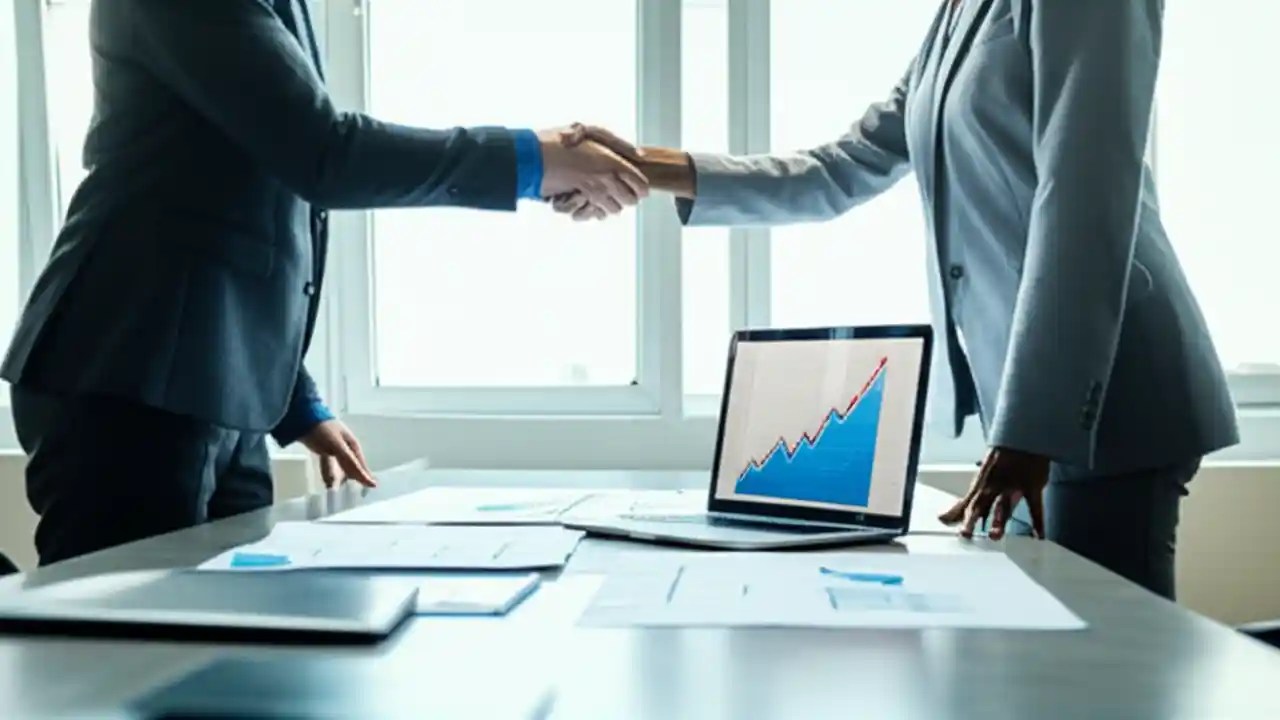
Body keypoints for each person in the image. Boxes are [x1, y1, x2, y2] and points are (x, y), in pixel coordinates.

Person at [553, 0, 1239, 600]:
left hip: (1107, 395)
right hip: (1028, 413)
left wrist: (1034, 429)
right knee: (1048, 666)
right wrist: (642, 167)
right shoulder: (960, 14)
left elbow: (1085, 196)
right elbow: (837, 169)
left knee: (1115, 672)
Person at [0, 0, 647, 566]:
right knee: (113, 669)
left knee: (219, 655)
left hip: (212, 386)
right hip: (125, 376)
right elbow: (323, 155)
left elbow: (244, 201)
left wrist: (294, 397)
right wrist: (530, 160)